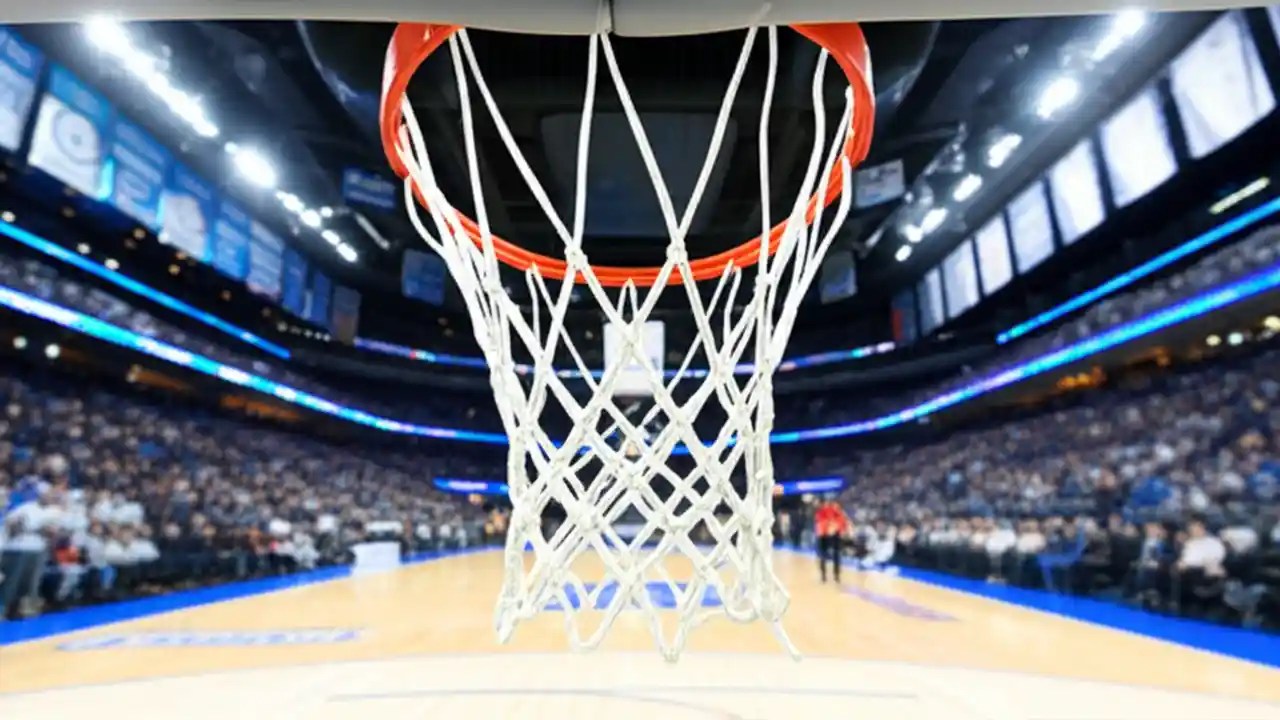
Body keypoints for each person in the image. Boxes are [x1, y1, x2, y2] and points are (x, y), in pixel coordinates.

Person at [814, 495, 849, 584]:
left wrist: (840, 529)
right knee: (826, 555)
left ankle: (832, 575)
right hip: (825, 534)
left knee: (832, 555)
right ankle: (826, 575)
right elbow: (819, 521)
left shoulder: (835, 510)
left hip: (831, 533)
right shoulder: (822, 511)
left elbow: (842, 520)